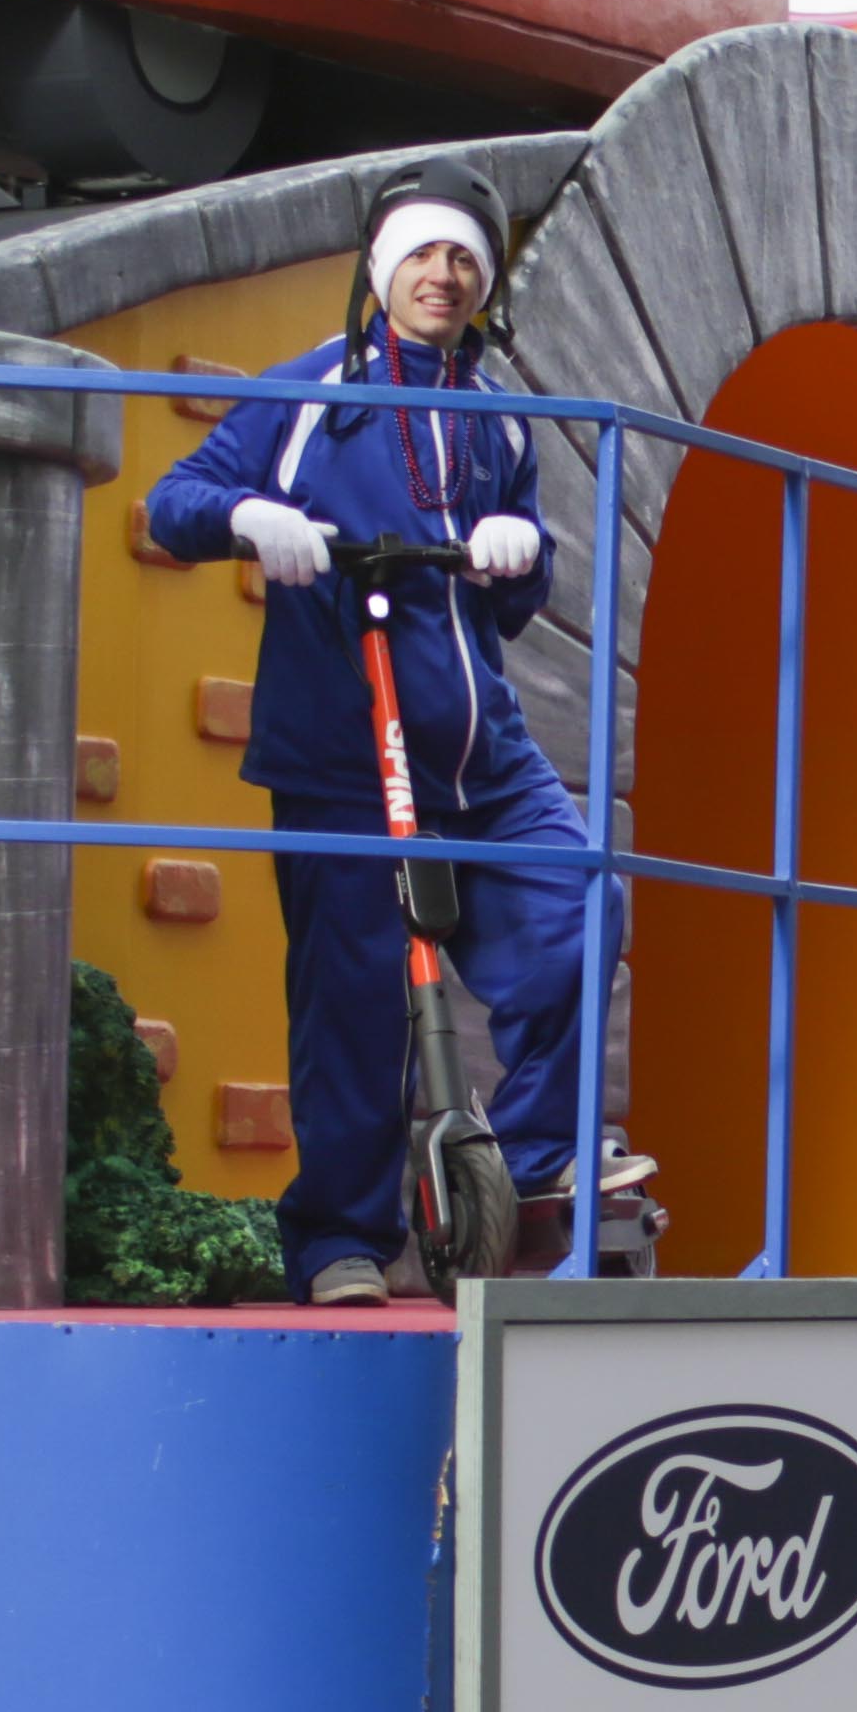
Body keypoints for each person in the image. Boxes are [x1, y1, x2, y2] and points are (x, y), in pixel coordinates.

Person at [141, 164, 596, 1305]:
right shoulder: (308, 394)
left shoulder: (499, 422)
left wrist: (519, 551)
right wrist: (252, 520)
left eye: (466, 264)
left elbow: (505, 601)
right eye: (426, 255)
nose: (444, 277)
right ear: (383, 268)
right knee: (349, 1000)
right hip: (345, 747)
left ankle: (530, 1178)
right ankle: (339, 1240)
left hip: (478, 751)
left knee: (577, 911)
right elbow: (173, 501)